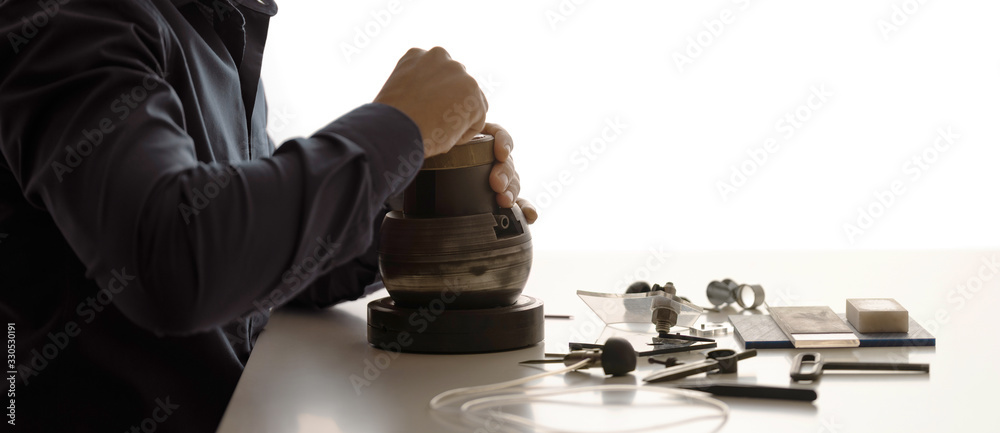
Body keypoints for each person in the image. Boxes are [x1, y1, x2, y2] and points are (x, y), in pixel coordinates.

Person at [0, 0, 535, 431]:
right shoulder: (76, 19)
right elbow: (176, 257)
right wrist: (397, 130)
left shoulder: (212, 23)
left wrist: (426, 201)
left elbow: (257, 257)